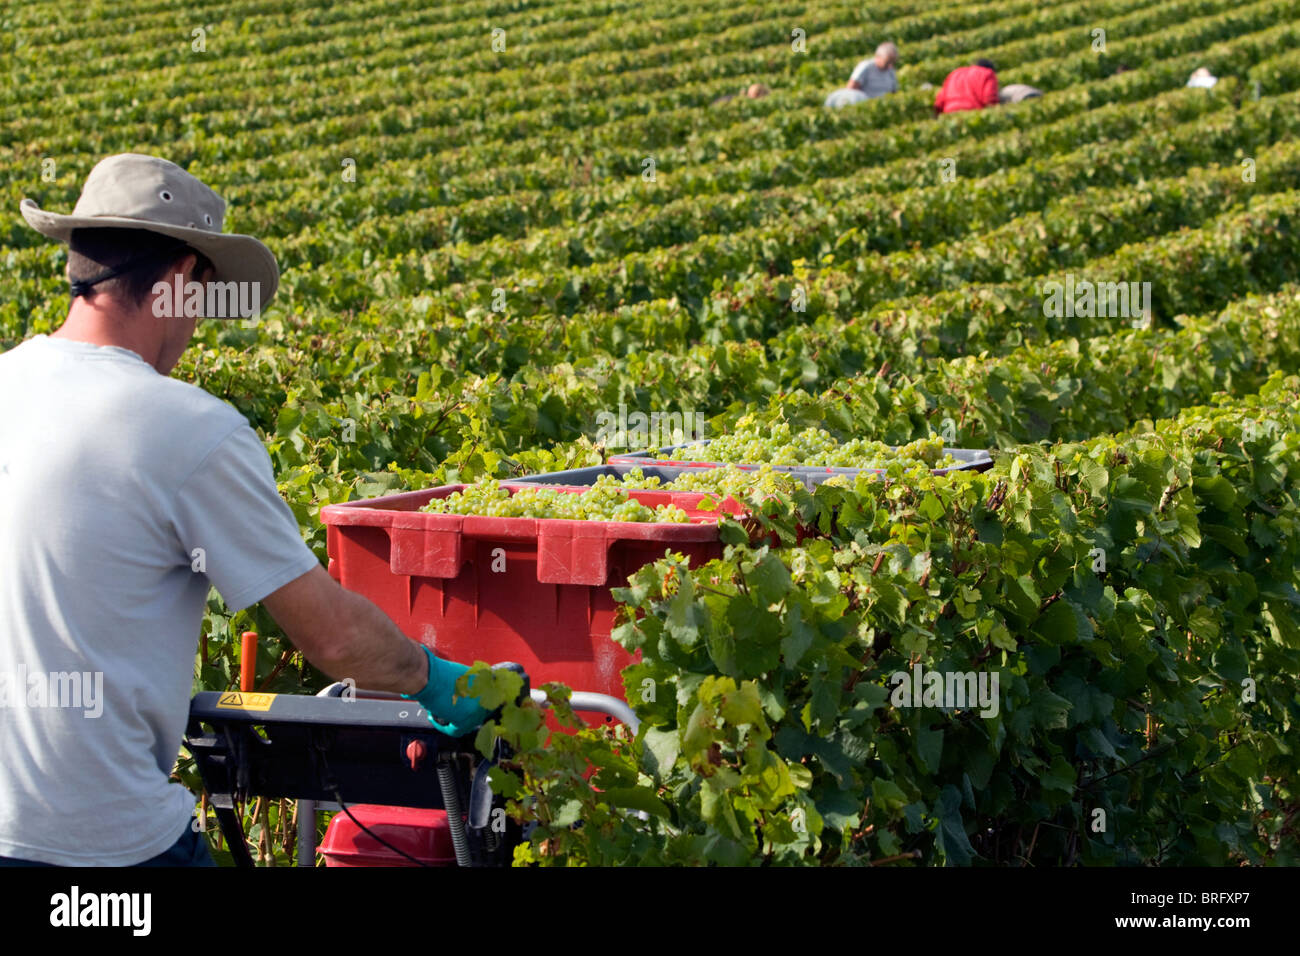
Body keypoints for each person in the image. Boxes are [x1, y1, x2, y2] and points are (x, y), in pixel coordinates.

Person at [0, 154, 487, 867]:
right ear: (177, 282)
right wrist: (438, 680)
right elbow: (334, 640)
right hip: (96, 850)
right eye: (204, 296)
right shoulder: (184, 428)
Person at [825, 41, 899, 108]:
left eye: (893, 62)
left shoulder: (890, 71)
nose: (890, 65)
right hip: (866, 106)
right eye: (887, 62)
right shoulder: (866, 67)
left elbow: (894, 92)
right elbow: (851, 89)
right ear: (878, 57)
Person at [934, 58, 999, 114]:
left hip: (949, 112)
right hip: (972, 112)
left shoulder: (956, 73)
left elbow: (940, 100)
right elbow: (990, 98)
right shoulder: (988, 73)